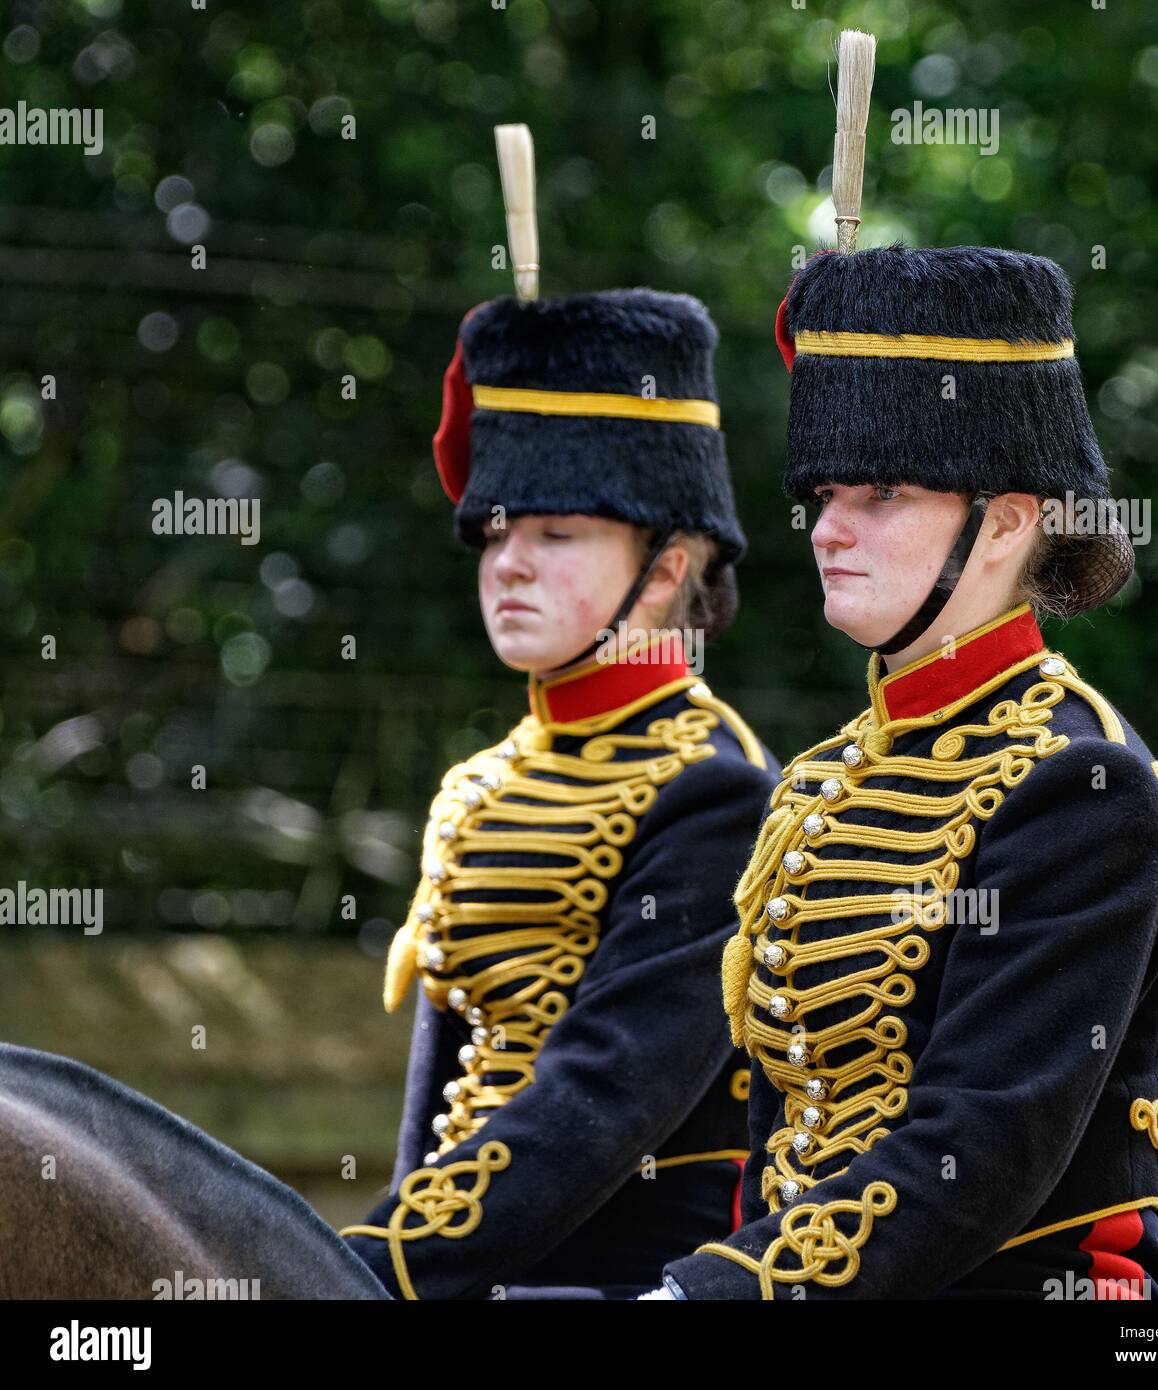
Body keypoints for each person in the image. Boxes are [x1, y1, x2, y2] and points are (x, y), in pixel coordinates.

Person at [649, 242, 1158, 1301]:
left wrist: (704, 1295)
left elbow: (979, 1152)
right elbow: (787, 1123)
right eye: (823, 489)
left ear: (1005, 519)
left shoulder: (1088, 788)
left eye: (882, 491)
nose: (829, 527)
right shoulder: (818, 782)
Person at [339, 282, 781, 1300]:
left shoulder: (716, 789)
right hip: (455, 1266)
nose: (509, 565)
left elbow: (605, 1096)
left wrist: (372, 1270)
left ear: (666, 566)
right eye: (495, 535)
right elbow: (437, 1101)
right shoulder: (484, 781)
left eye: (556, 535)